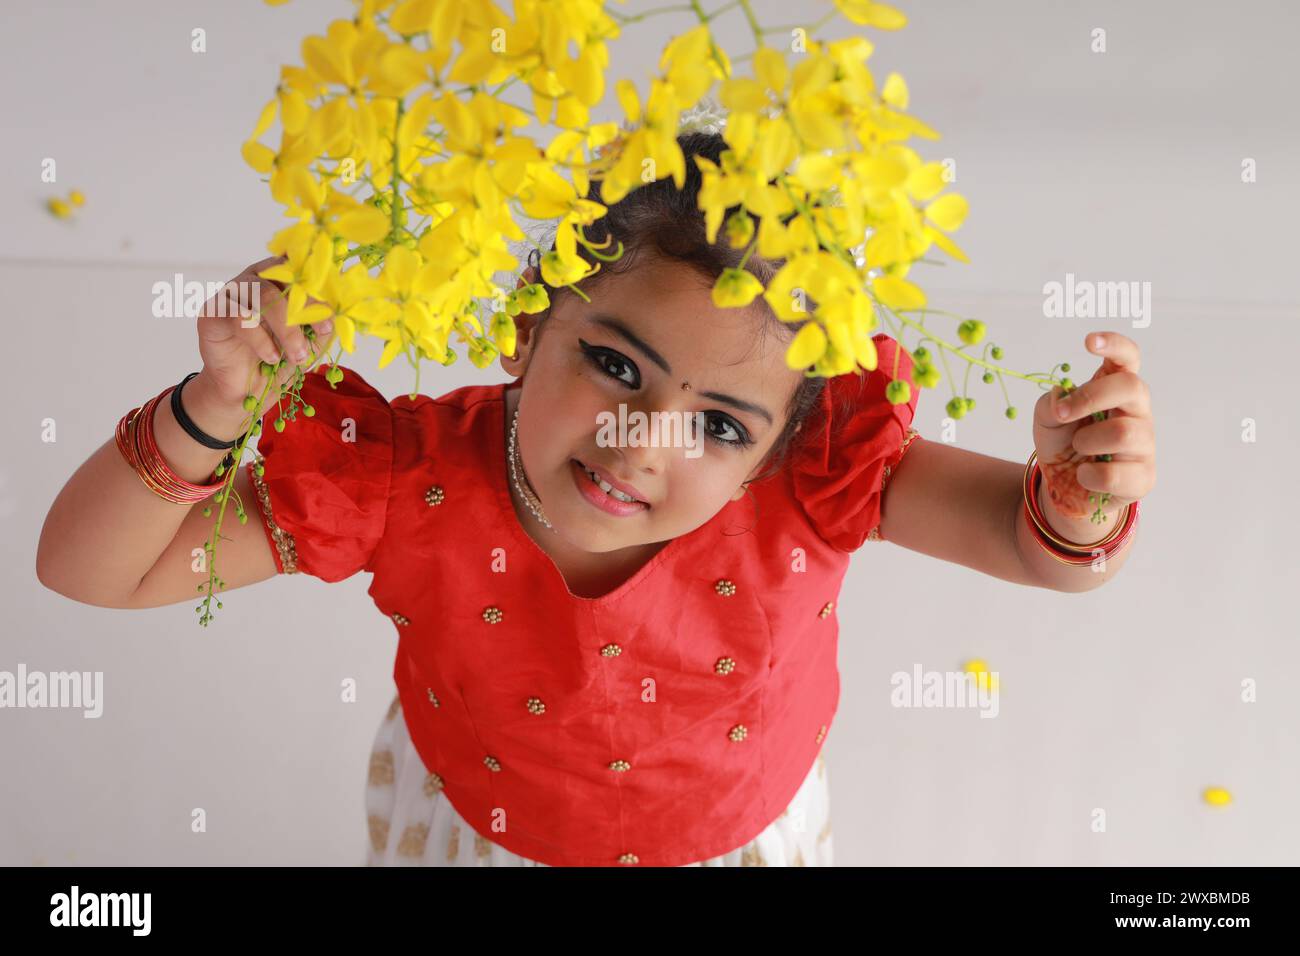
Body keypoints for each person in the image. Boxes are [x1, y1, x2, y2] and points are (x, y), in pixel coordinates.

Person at [35, 131, 1155, 867]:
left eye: (721, 424)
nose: (642, 439)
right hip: (484, 833)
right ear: (531, 323)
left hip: (736, 839)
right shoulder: (398, 477)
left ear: (786, 436)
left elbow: (1037, 545)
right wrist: (213, 405)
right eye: (616, 365)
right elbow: (90, 568)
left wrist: (1082, 491)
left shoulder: (813, 479)